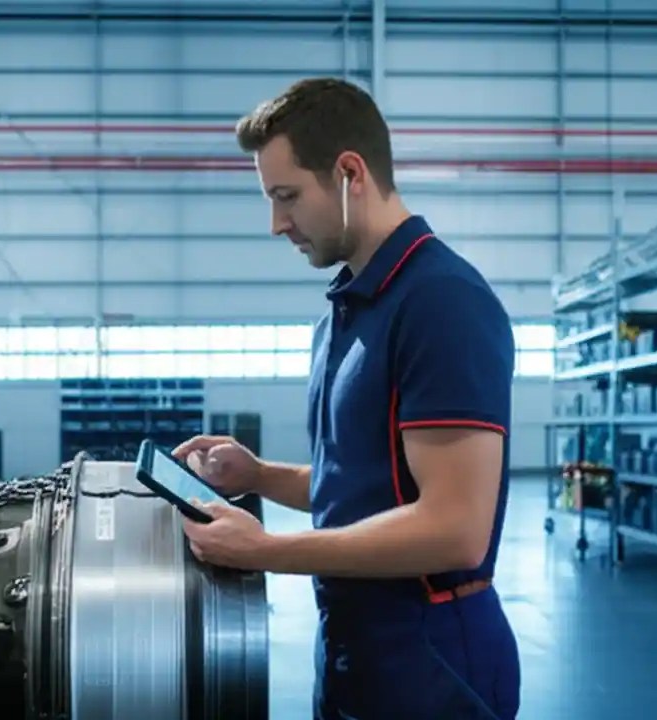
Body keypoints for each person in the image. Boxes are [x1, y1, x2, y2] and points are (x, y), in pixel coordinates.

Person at [172, 77, 521, 720]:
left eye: (287, 196)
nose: (277, 224)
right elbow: (365, 487)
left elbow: (454, 529)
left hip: (432, 662)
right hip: (354, 649)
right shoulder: (346, 312)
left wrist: (269, 552)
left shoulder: (442, 303)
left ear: (349, 174)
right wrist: (259, 475)